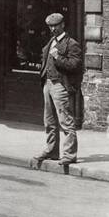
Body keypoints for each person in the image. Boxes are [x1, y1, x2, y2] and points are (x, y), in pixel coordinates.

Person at [33, 12, 81, 168]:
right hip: (48, 83)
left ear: (62, 25)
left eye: (55, 25)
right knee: (50, 121)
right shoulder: (51, 41)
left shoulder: (71, 43)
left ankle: (69, 155)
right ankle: (51, 151)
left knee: (65, 121)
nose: (53, 29)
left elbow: (74, 65)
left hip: (60, 84)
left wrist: (58, 58)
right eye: (50, 26)